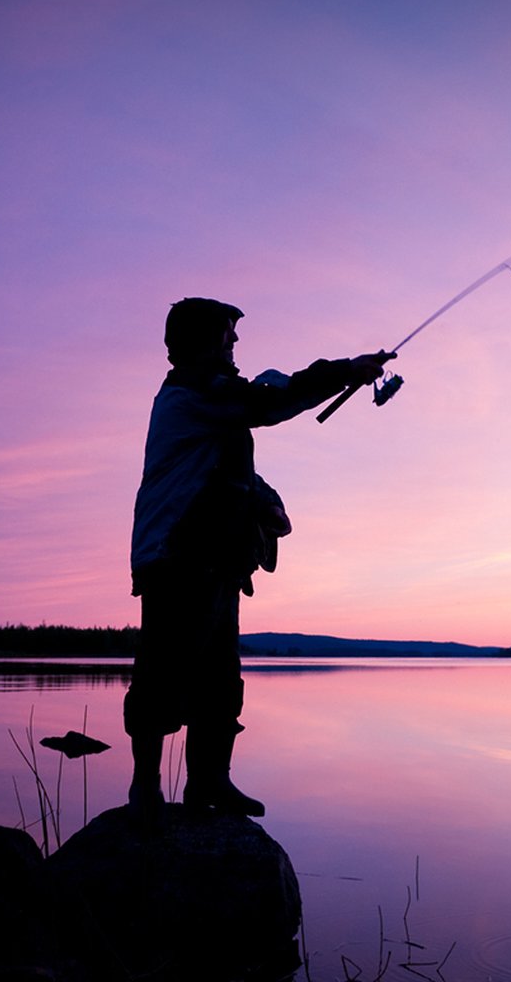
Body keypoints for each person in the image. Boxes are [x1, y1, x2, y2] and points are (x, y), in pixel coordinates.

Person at [125, 297, 389, 818]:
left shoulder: (212, 404)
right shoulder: (191, 394)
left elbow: (225, 468)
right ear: (201, 344)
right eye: (228, 337)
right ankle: (145, 791)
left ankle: (208, 784)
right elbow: (267, 401)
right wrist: (345, 372)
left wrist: (268, 503)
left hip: (217, 563)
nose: (236, 346)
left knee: (219, 680)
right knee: (162, 675)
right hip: (176, 561)